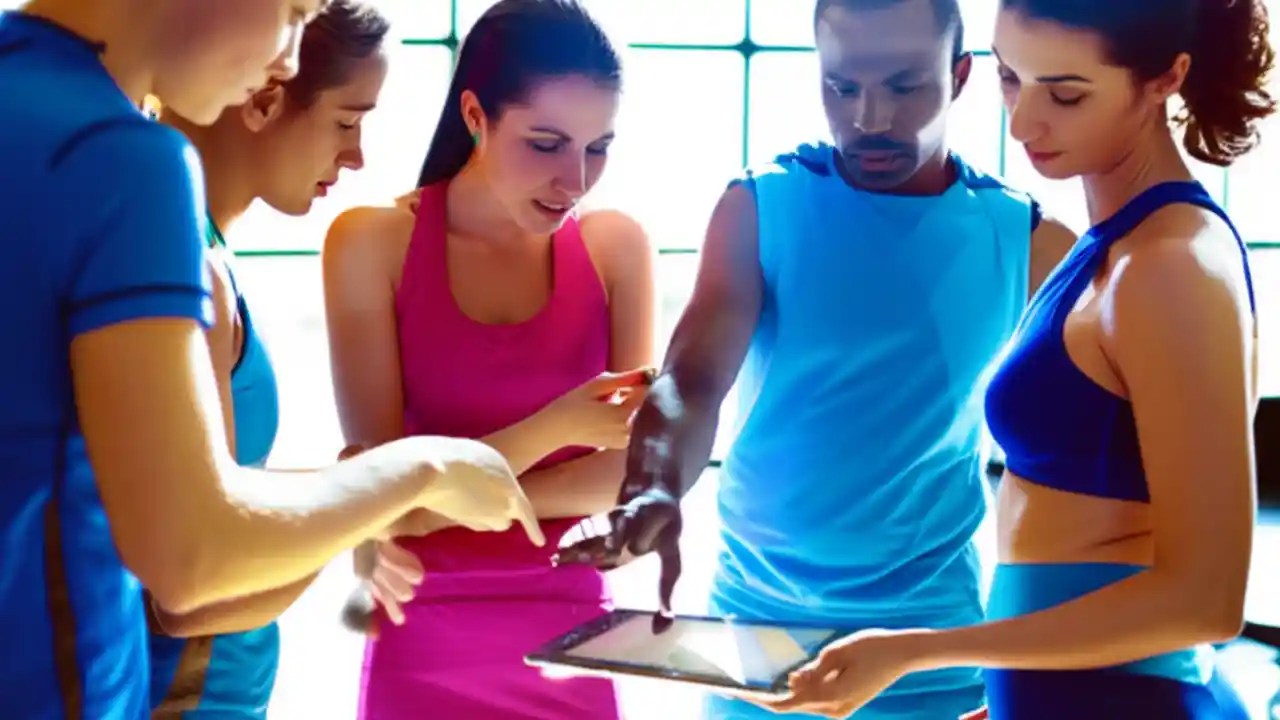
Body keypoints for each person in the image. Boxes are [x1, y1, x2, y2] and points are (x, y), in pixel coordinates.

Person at [0, 1, 541, 718]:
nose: (285, 59)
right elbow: (190, 562)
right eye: (293, 10)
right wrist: (418, 471)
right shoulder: (121, 158)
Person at [557, 0, 1080, 718]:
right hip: (756, 652)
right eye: (842, 86)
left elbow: (1099, 450)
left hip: (928, 659)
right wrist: (654, 486)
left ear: (960, 77)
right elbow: (693, 379)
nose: (869, 117)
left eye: (904, 86)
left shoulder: (1026, 238)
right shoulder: (761, 204)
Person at [760, 0, 1273, 718]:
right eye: (1011, 79)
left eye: (1065, 95)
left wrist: (917, 650)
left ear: (1165, 78)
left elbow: (1204, 602)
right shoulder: (1105, 249)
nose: (1023, 124)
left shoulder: (1172, 264)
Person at [321, 1, 655, 718]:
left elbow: (624, 477)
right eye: (546, 144)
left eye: (598, 148)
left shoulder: (616, 249)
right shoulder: (371, 245)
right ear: (475, 116)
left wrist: (426, 503)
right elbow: (380, 490)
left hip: (573, 644)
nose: (576, 180)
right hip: (420, 641)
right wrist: (553, 430)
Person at [145, 2, 395, 717]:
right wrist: (366, 496)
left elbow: (222, 491)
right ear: (265, 96)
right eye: (346, 122)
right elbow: (194, 597)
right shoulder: (188, 269)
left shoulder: (204, 249)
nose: (356, 156)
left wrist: (348, 489)